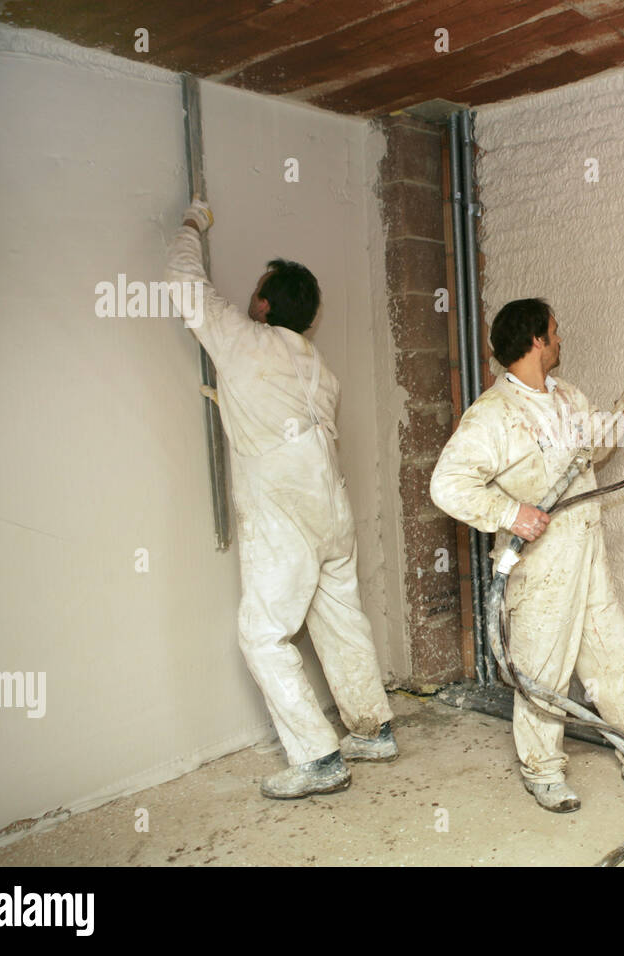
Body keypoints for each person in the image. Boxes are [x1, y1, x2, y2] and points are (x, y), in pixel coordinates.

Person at [166, 199, 397, 799]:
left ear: (264, 305)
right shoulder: (319, 367)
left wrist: (192, 223)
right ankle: (372, 731)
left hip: (286, 514)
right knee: (341, 620)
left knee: (263, 634)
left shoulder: (244, 340)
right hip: (332, 511)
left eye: (258, 292)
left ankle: (319, 759)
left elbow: (184, 283)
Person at [429, 298, 624, 812]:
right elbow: (447, 484)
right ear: (535, 341)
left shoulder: (566, 396)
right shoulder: (493, 415)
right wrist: (511, 515)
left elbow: (594, 448)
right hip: (541, 566)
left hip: (587, 555)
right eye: (553, 332)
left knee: (615, 660)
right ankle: (543, 772)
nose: (559, 339)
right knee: (543, 672)